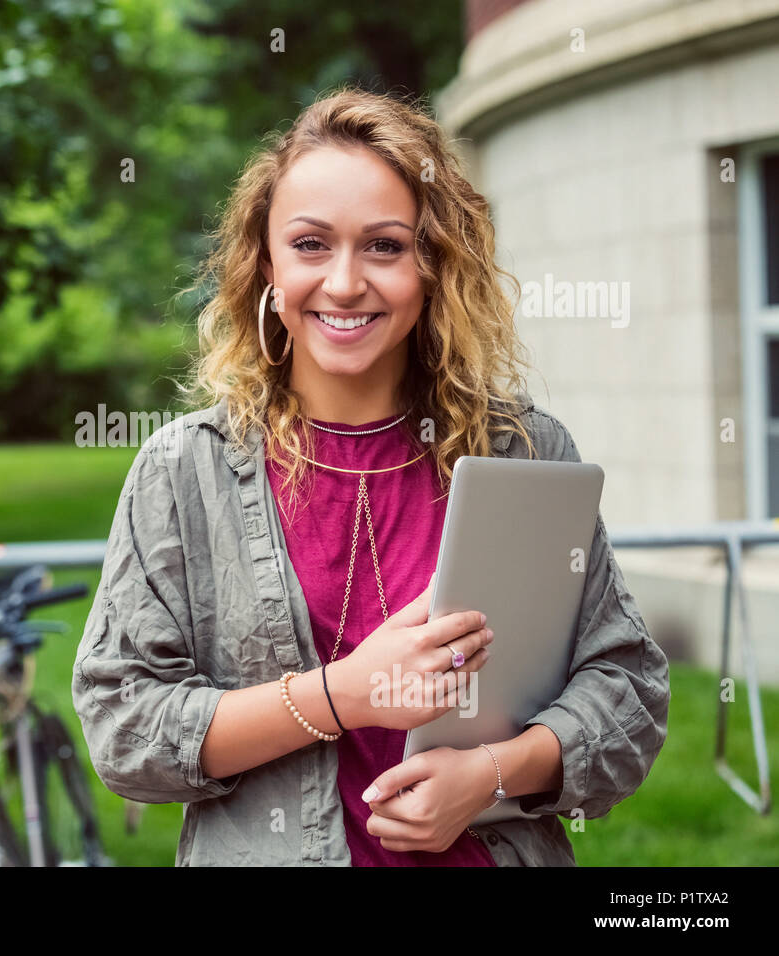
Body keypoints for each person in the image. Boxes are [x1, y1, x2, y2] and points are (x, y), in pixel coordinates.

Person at [71, 84, 670, 866]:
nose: (346, 282)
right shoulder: (185, 469)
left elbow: (627, 688)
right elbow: (124, 727)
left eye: (385, 246)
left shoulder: (521, 449)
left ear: (432, 268)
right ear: (266, 266)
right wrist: (344, 695)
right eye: (311, 244)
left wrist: (490, 775)